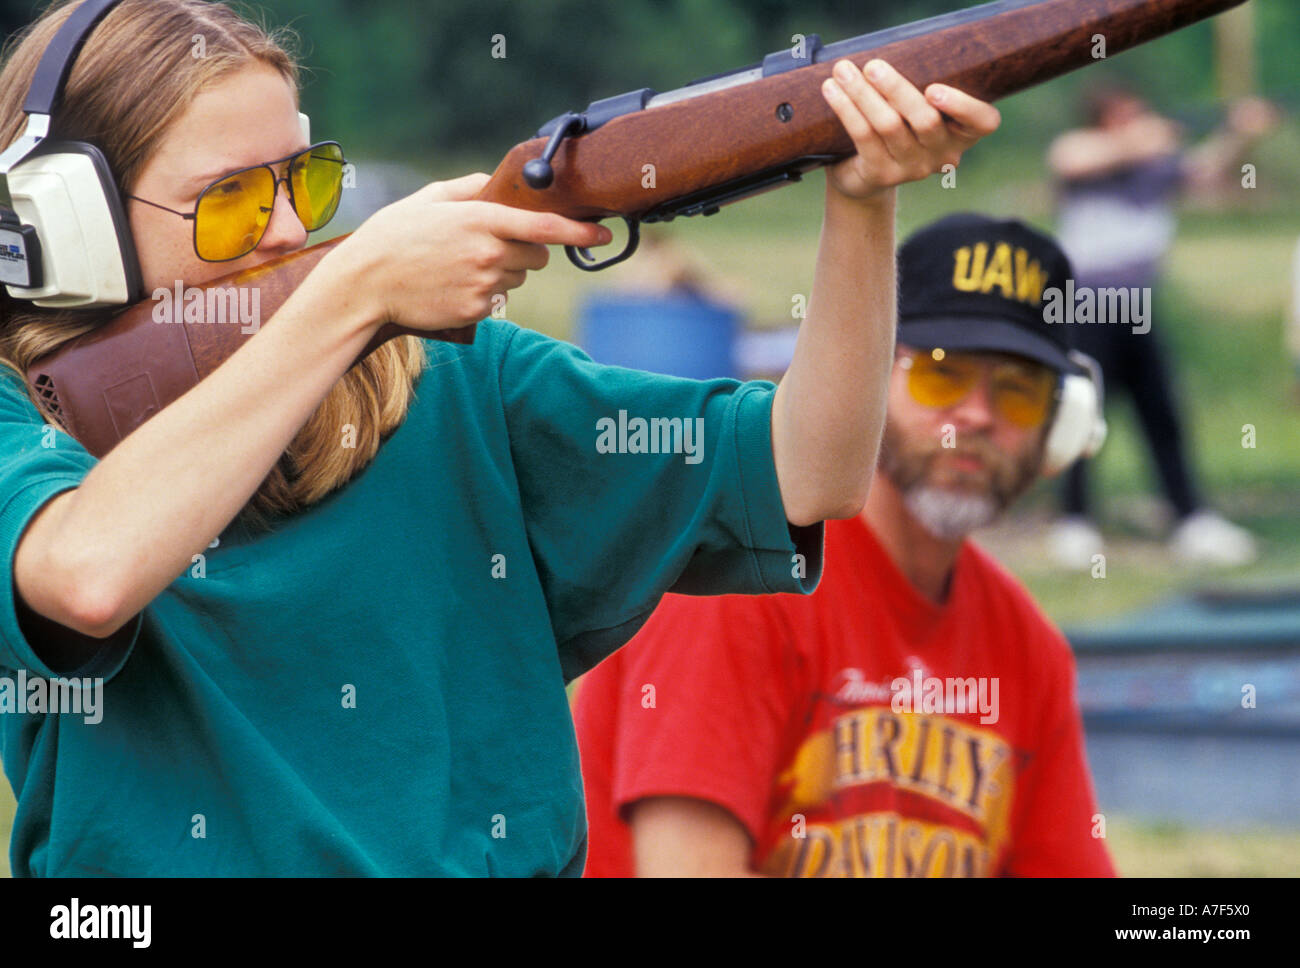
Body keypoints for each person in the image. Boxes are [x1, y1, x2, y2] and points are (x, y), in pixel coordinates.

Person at [0, 0, 999, 875]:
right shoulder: (29, 419)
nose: (281, 236)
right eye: (228, 201)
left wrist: (863, 204)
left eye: (298, 188)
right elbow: (88, 574)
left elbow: (809, 472)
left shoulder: (460, 380)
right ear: (69, 225)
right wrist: (352, 296)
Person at [574, 214, 1118, 878]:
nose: (977, 414)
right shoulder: (740, 576)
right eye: (941, 374)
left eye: (1019, 391)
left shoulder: (1029, 651)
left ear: (1062, 432)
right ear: (864, 379)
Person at [1045, 86, 1277, 568]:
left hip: (1138, 302)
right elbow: (1069, 158)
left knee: (1161, 412)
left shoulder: (1153, 165)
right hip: (1086, 302)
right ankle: (1074, 522)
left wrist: (1240, 133)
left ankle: (1190, 518)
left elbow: (1205, 171)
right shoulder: (1081, 150)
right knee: (1083, 414)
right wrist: (1144, 138)